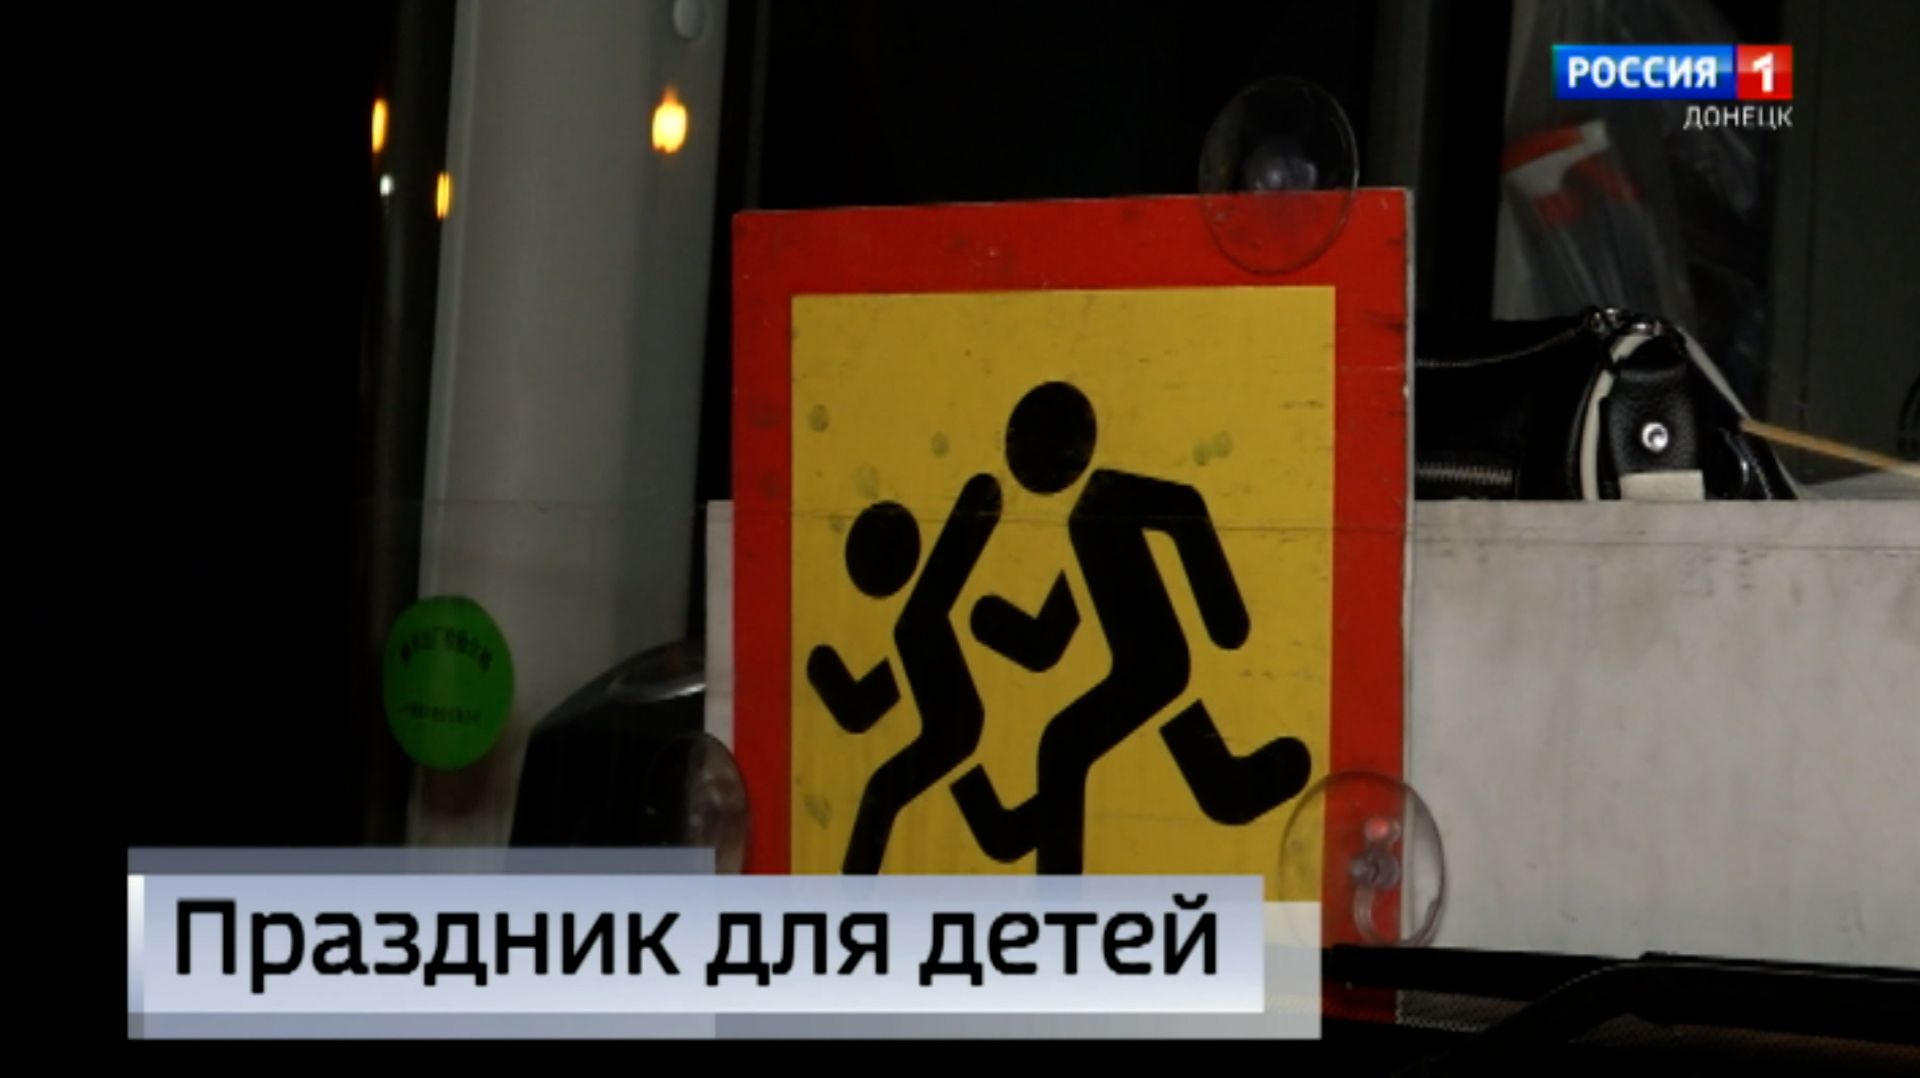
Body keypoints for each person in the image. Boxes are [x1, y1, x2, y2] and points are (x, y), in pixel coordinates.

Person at [954, 382, 1311, 873]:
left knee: (1063, 745)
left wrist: (1224, 617)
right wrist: (999, 626)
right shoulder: (1081, 519)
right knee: (1066, 747)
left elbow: (1185, 509)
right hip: (1145, 666)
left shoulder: (1106, 494)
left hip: (1153, 663)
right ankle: (1028, 847)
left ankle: (1053, 886)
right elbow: (1053, 632)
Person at [806, 475, 1003, 873]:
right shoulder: (912, 626)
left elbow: (863, 707)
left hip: (955, 723)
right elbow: (864, 706)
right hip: (953, 719)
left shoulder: (917, 619)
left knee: (881, 793)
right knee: (881, 793)